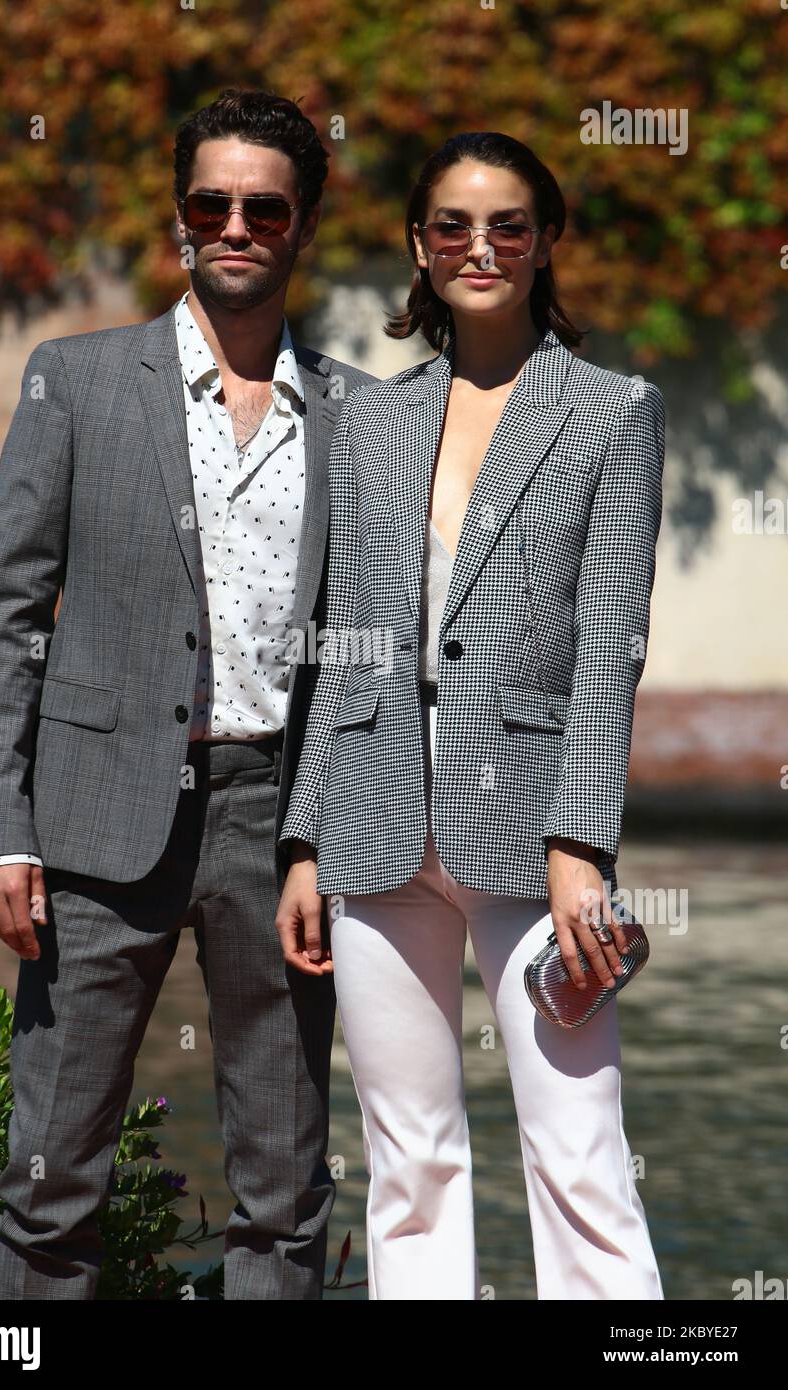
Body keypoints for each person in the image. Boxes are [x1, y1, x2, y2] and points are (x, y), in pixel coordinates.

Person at [0, 88, 374, 1300]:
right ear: (180, 220)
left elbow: (362, 645)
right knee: (49, 1181)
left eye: (262, 205)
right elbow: (7, 617)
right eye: (211, 202)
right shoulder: (75, 381)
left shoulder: (359, 413)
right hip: (94, 819)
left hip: (279, 825)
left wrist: (332, 835)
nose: (235, 223)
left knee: (286, 1189)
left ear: (300, 223)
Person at [275, 131, 666, 1301]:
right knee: (407, 1166)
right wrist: (302, 839)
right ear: (417, 245)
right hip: (371, 826)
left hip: (535, 839)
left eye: (507, 225)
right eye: (452, 225)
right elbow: (340, 640)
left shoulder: (611, 411)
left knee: (580, 1153)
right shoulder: (368, 421)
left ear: (543, 244)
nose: (479, 247)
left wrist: (578, 848)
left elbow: (610, 650)